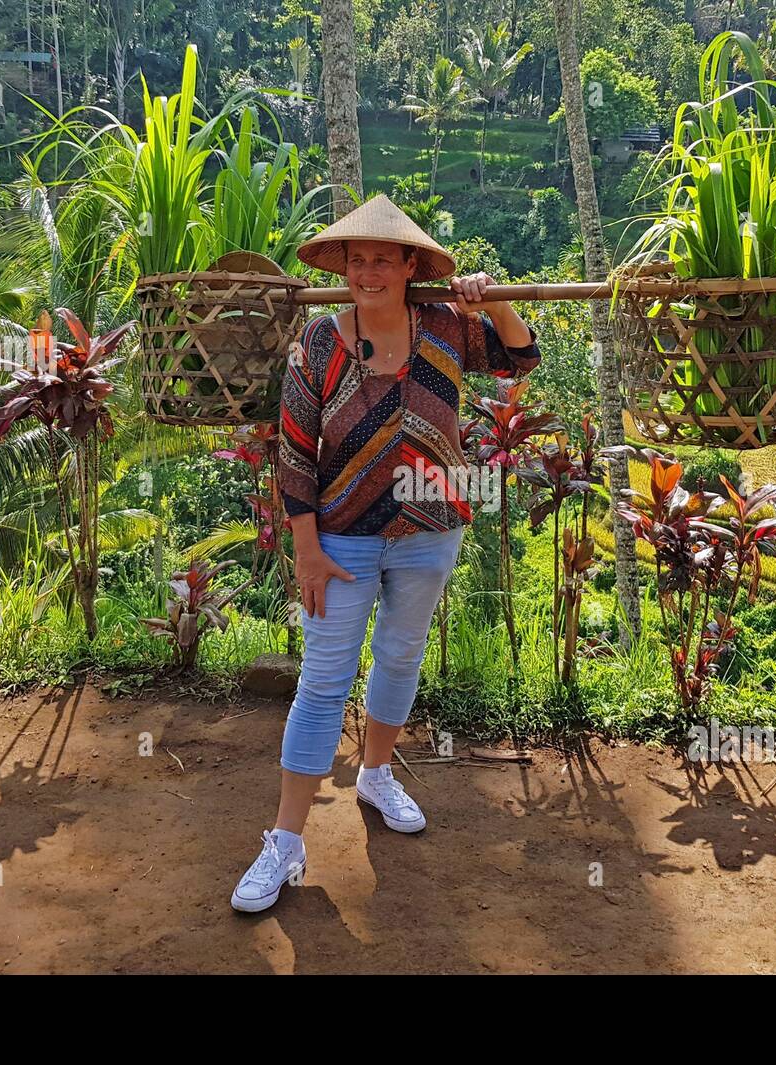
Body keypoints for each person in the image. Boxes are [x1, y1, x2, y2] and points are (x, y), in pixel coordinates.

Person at [231, 193, 543, 912]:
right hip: (339, 536)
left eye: (382, 258)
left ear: (410, 265)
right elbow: (296, 455)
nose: (367, 271)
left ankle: (375, 772)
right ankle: (285, 840)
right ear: (343, 268)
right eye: (356, 259)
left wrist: (491, 303)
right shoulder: (318, 342)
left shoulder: (445, 325)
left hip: (431, 528)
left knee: (401, 656)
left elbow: (521, 359)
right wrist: (306, 551)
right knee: (322, 679)